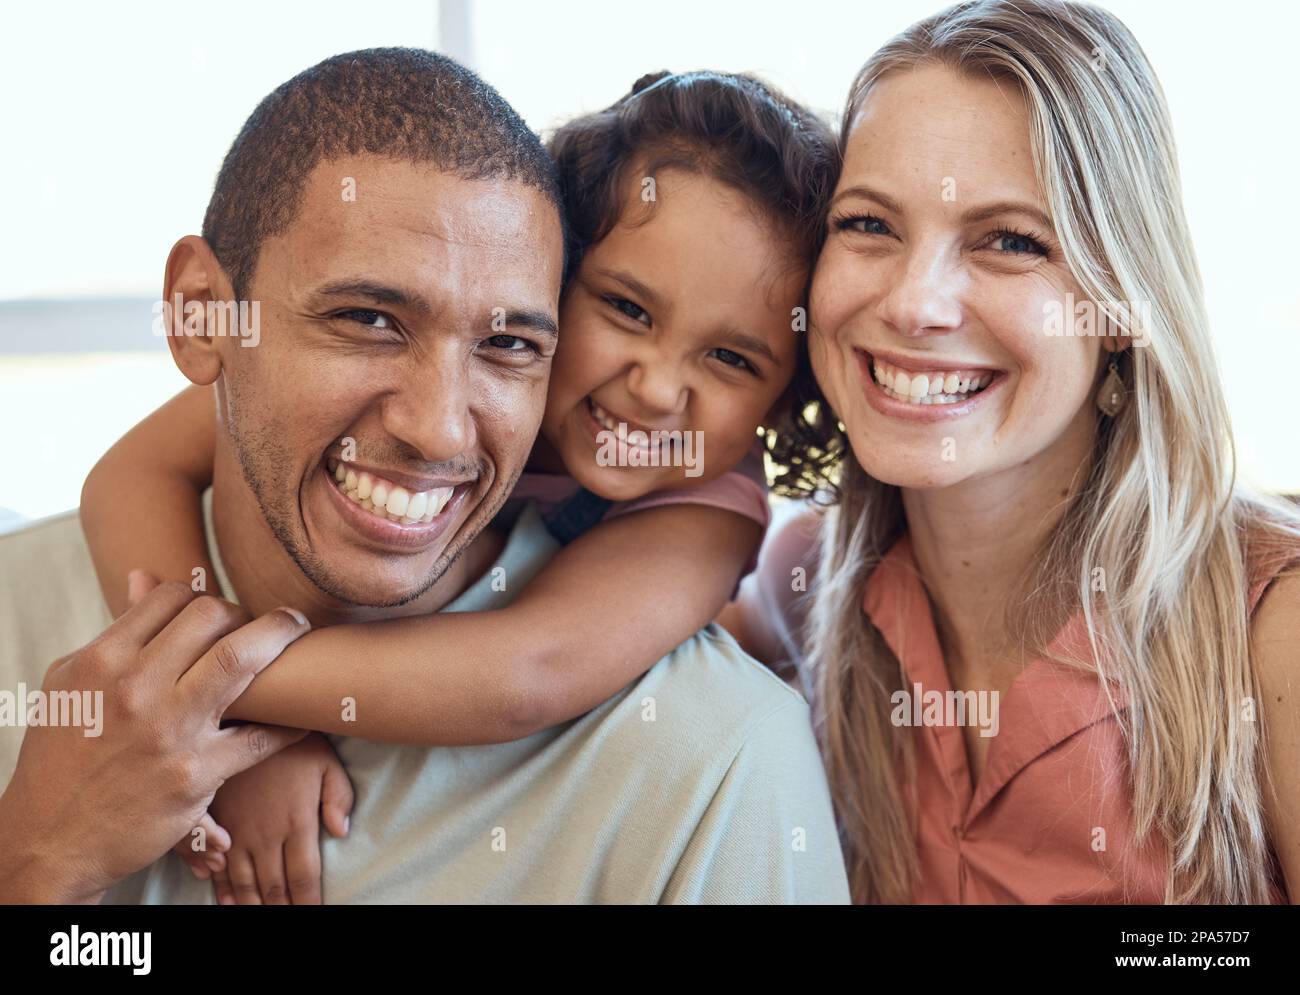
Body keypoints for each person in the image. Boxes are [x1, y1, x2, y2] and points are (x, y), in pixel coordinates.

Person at [0, 48, 849, 904]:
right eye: (368, 319)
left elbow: (530, 674)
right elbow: (132, 468)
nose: (659, 387)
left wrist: (223, 709)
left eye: (734, 357)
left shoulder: (714, 620)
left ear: (784, 399)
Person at [723, 0, 1300, 904]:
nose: (917, 304)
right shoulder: (809, 581)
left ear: (1120, 307)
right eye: (869, 224)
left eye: (1011, 241)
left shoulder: (1276, 630)